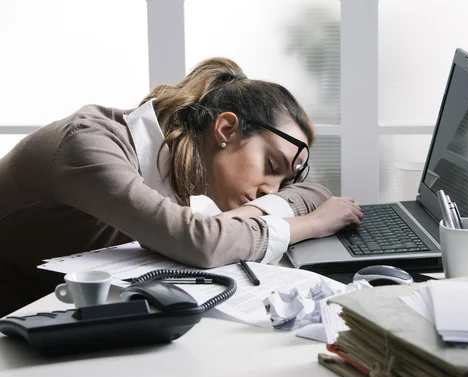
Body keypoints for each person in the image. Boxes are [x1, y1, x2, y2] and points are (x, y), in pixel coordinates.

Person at [0, 57, 363, 316]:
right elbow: (202, 242)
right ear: (225, 130)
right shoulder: (88, 147)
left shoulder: (167, 160)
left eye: (284, 179)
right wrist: (311, 225)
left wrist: (249, 213)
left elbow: (316, 194)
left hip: (63, 315)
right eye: (271, 166)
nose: (274, 188)